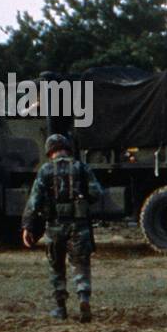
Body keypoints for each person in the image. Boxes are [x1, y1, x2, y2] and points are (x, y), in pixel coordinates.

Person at [21, 134, 104, 322]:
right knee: (81, 264)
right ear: (67, 148)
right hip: (79, 225)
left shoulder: (45, 170)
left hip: (54, 226)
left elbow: (34, 201)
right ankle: (83, 299)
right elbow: (96, 193)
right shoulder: (81, 167)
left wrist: (27, 226)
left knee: (56, 266)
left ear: (50, 151)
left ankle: (60, 308)